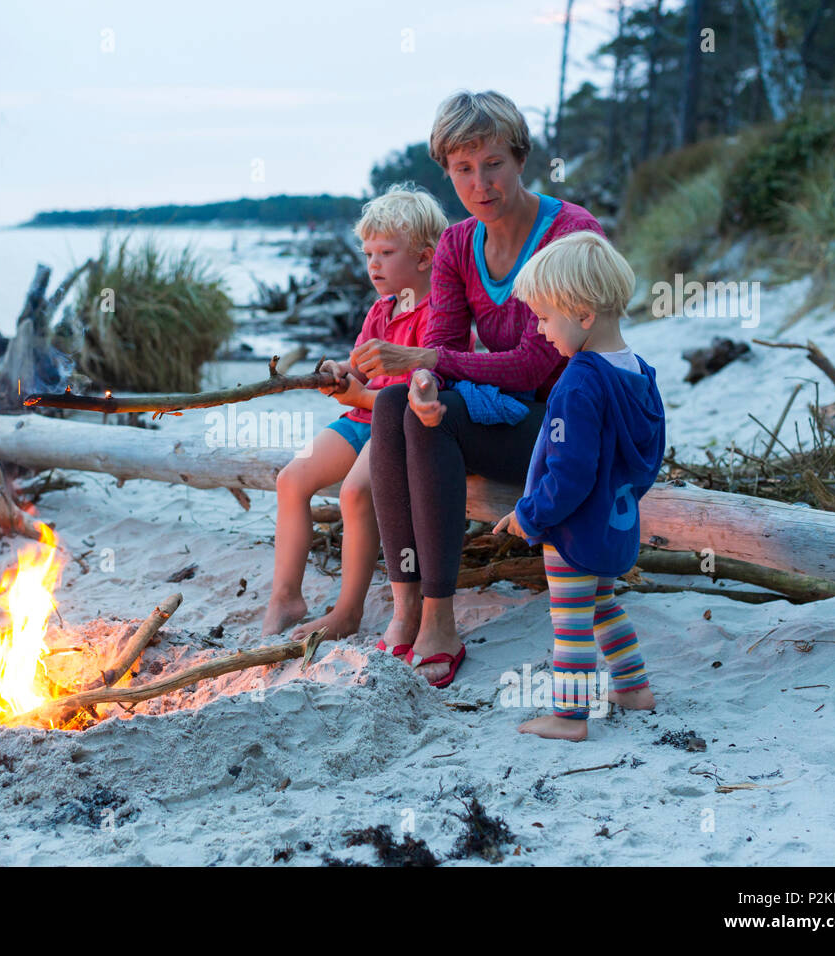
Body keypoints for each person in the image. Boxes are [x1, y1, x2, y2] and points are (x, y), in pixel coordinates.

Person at [354, 89, 608, 687]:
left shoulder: (570, 232)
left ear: (520, 159)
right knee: (397, 403)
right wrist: (421, 380)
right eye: (462, 169)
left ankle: (439, 620)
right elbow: (442, 347)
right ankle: (407, 605)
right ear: (447, 171)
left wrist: (423, 359)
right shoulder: (455, 243)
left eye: (492, 163)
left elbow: (529, 366)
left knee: (428, 411)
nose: (480, 183)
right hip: (514, 416)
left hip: (569, 425)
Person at [492, 230, 665, 740]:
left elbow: (569, 474)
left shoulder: (578, 382)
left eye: (545, 317)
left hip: (572, 530)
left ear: (584, 315)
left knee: (569, 620)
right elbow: (649, 457)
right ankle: (633, 688)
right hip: (616, 522)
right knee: (604, 604)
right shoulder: (641, 373)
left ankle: (569, 717)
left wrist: (530, 514)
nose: (541, 330)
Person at [261, 184, 448, 640]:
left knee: (353, 494)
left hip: (400, 426)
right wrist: (337, 371)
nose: (374, 265)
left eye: (386, 252)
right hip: (362, 417)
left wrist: (361, 397)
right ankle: (285, 596)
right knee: (291, 479)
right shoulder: (381, 310)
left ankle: (348, 611)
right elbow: (359, 363)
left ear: (424, 259)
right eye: (368, 254)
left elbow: (417, 395)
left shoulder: (439, 313)